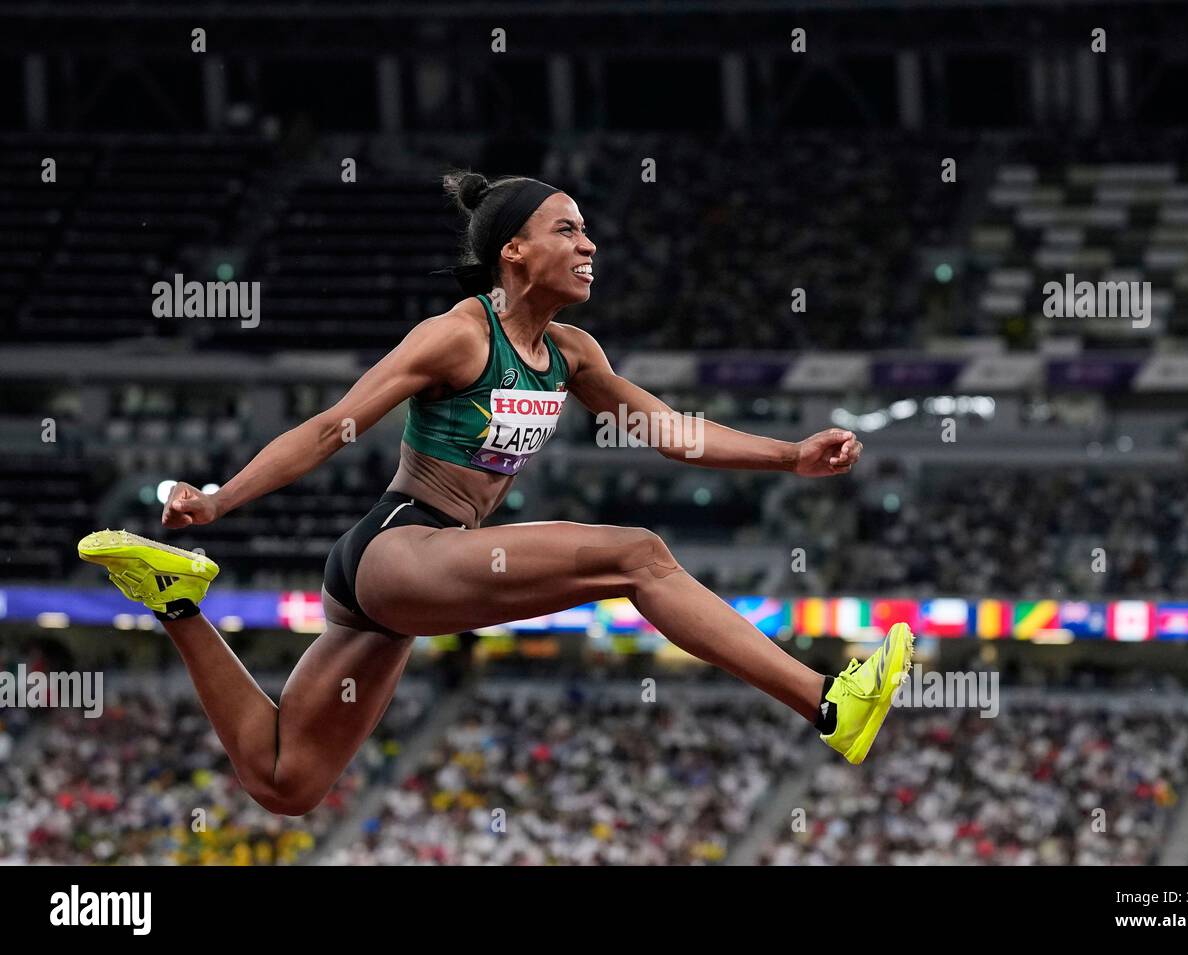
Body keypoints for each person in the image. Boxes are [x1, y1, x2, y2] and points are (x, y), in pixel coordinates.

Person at [78, 171, 913, 816]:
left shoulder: (573, 352)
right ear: (514, 250)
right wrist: (219, 502)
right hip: (399, 548)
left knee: (286, 779)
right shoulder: (458, 334)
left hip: (411, 577)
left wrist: (789, 455)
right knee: (638, 555)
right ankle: (827, 701)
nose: (590, 245)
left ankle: (178, 603)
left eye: (589, 231)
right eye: (568, 229)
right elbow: (334, 426)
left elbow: (670, 429)